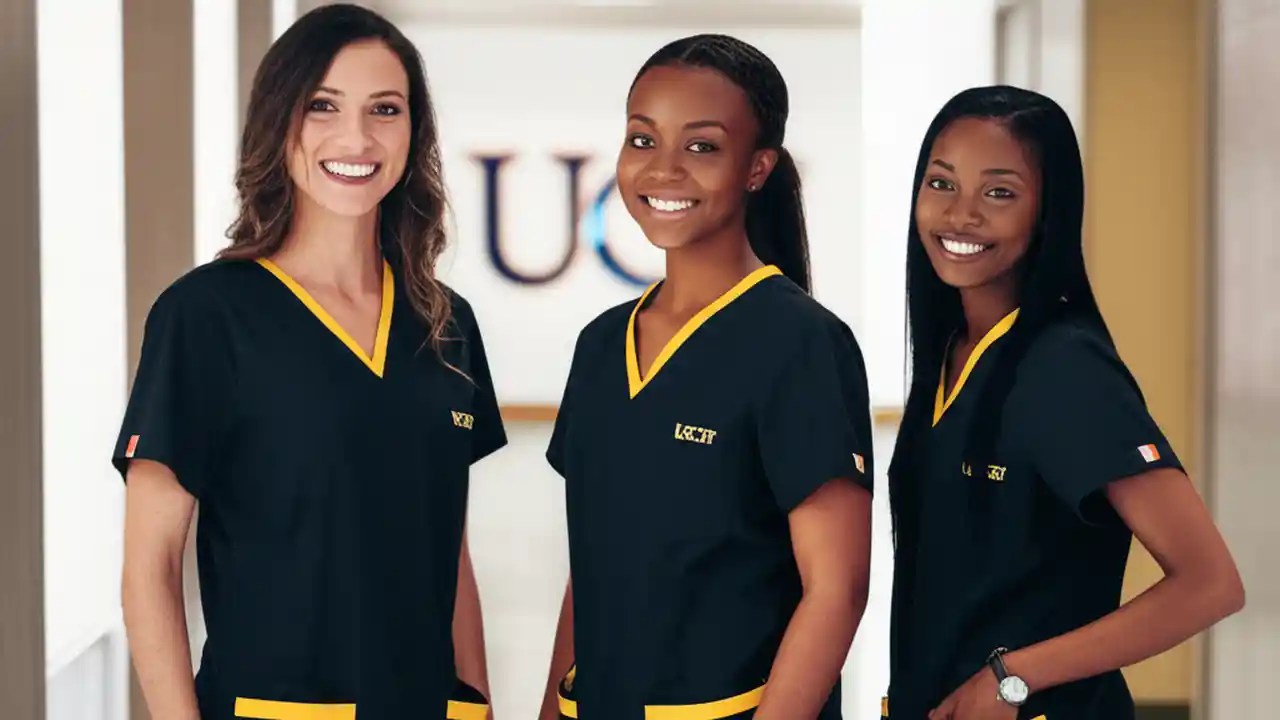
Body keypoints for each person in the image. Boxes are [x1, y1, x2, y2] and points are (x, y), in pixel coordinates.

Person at [115, 5, 502, 719]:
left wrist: (476, 701)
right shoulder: (205, 317)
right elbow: (149, 569)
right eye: (323, 106)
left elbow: (447, 548)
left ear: (414, 131)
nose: (356, 136)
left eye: (384, 109)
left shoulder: (447, 325)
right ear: (279, 120)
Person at [537, 34, 874, 720]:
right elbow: (593, 567)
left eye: (701, 146)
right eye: (642, 140)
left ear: (757, 168)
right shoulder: (601, 346)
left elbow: (837, 591)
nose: (663, 170)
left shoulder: (801, 343)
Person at [882, 85, 1245, 720]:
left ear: (1047, 212)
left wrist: (1012, 678)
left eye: (998, 193)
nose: (959, 215)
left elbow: (1210, 584)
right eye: (941, 184)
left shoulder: (1062, 368)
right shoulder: (950, 351)